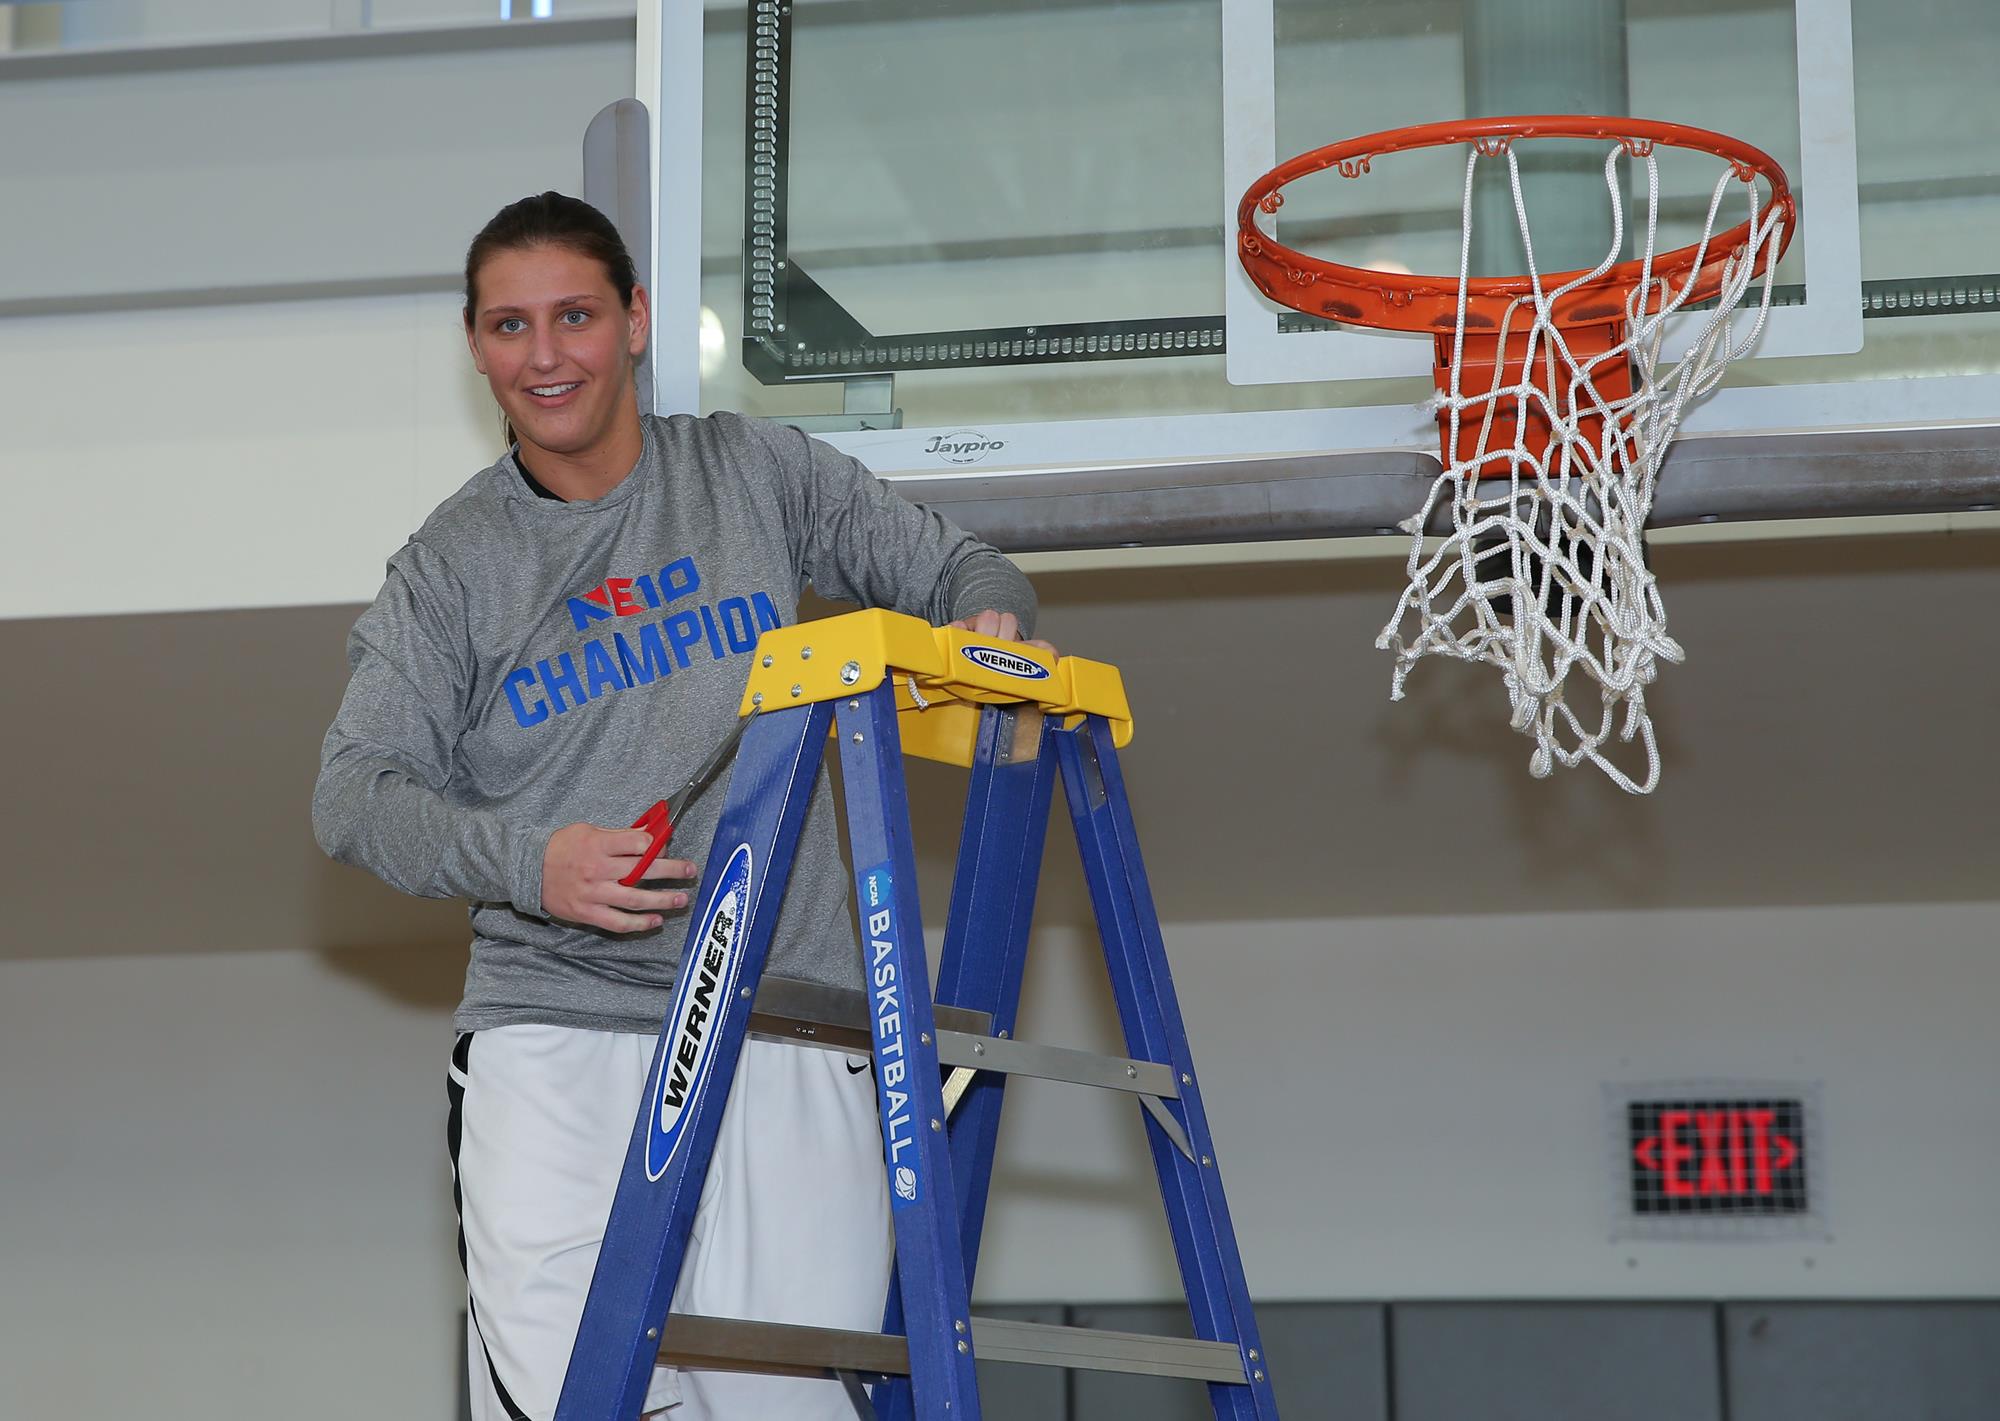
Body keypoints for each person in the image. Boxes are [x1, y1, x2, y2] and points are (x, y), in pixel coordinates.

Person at [312, 191, 1044, 1421]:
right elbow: (352, 794)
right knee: (585, 1398)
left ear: (636, 319)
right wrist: (533, 862)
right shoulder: (449, 566)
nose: (544, 354)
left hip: (784, 1024)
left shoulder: (754, 471)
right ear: (475, 344)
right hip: (560, 1028)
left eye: (575, 315)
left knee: (783, 1405)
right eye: (508, 325)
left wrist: (989, 624)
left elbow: (961, 566)